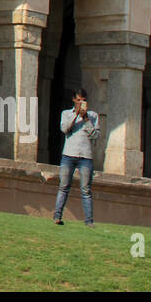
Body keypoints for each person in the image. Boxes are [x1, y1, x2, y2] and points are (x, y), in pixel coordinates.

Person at [54, 88, 100, 227]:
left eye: (84, 100)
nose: (81, 103)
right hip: (69, 154)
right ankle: (57, 216)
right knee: (63, 186)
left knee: (86, 189)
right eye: (79, 100)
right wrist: (76, 116)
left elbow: (95, 135)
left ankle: (89, 221)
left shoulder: (92, 116)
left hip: (85, 156)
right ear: (74, 100)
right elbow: (64, 129)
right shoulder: (66, 114)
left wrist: (85, 118)